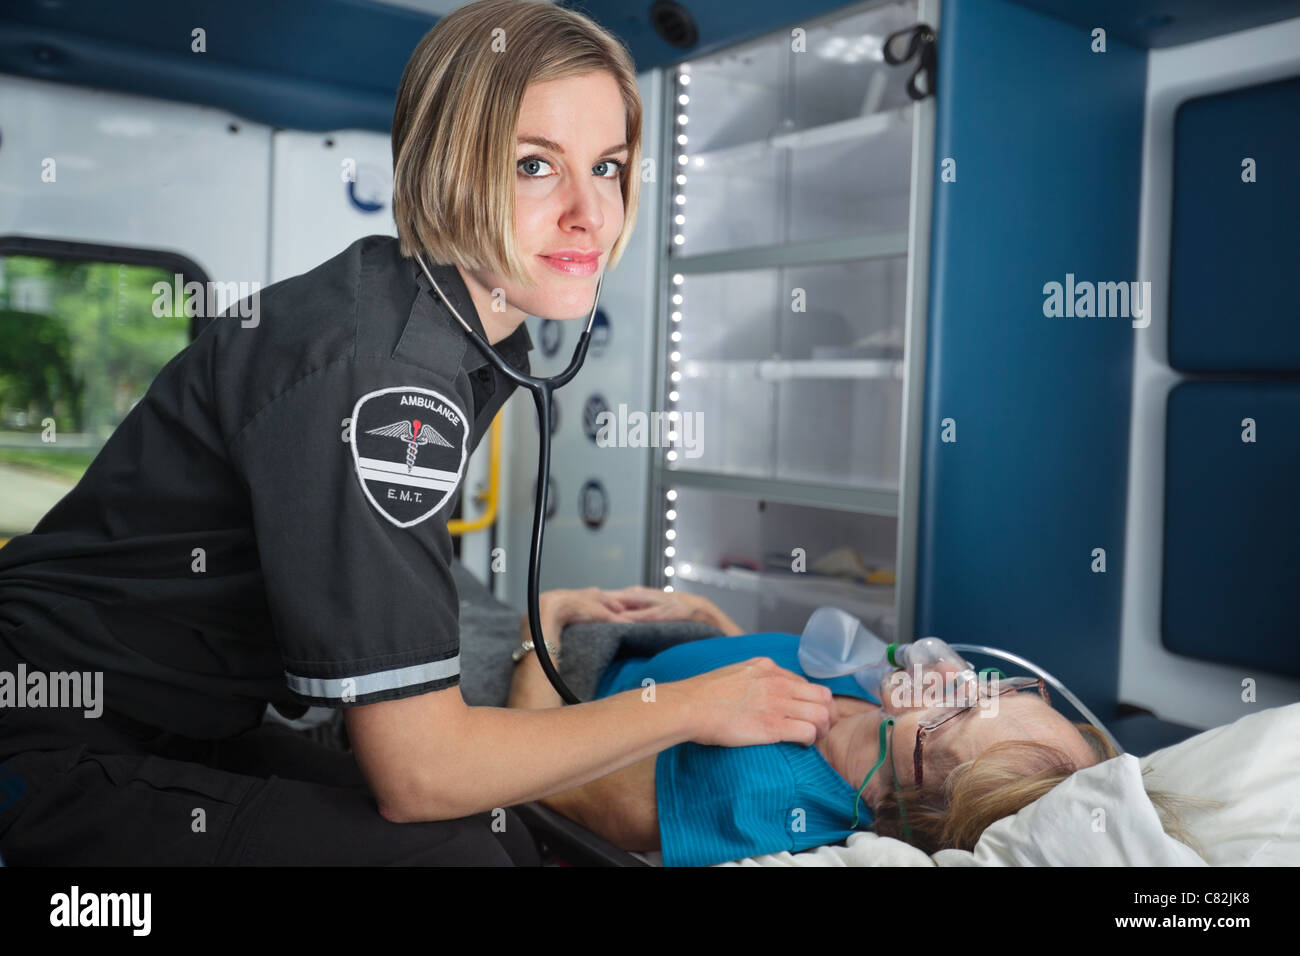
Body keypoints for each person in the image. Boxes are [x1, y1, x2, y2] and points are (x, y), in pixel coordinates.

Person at [0, 0, 834, 865]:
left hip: (176, 724)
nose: (592, 211)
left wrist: (527, 625)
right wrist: (695, 705)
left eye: (611, 166)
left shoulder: (449, 332)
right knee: (455, 859)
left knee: (511, 834)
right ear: (446, 173)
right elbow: (420, 773)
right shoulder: (383, 373)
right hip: (44, 742)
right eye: (536, 165)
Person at [508, 587, 1203, 866]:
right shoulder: (871, 703)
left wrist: (536, 630)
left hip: (548, 678)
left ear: (905, 805)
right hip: (634, 636)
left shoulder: (755, 789)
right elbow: (757, 680)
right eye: (995, 686)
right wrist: (710, 622)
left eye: (954, 710)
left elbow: (533, 780)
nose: (947, 674)